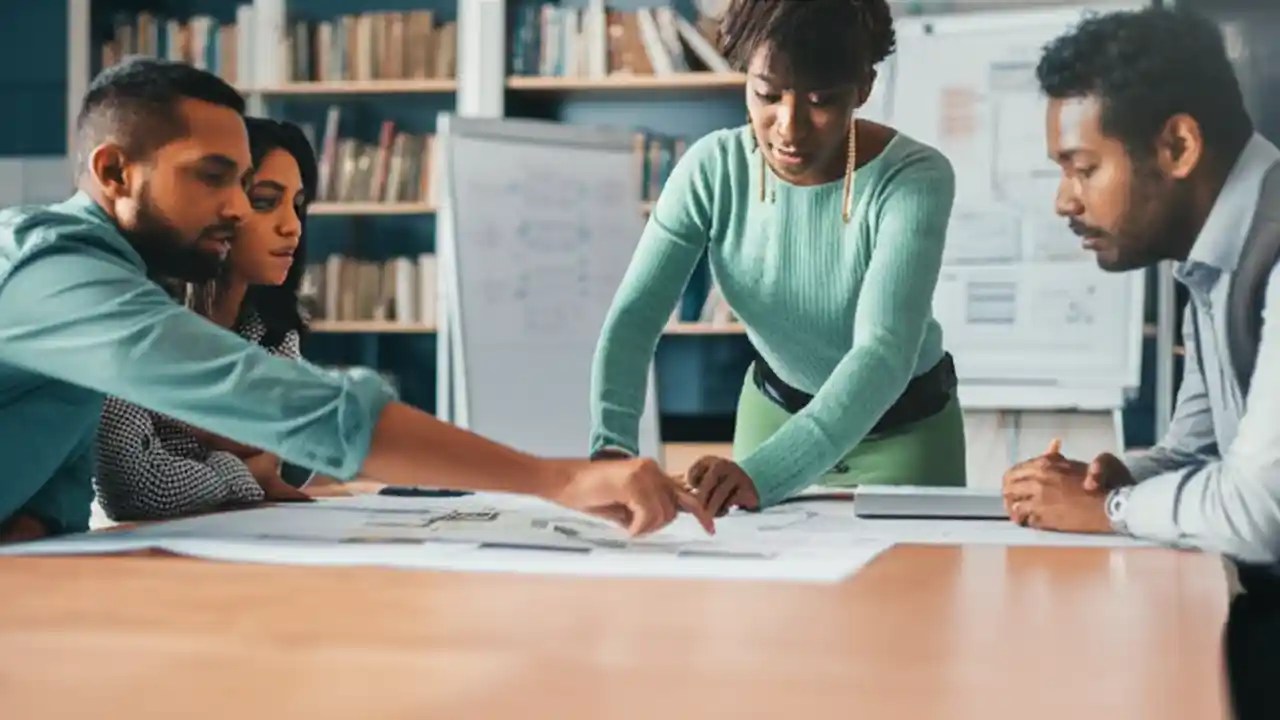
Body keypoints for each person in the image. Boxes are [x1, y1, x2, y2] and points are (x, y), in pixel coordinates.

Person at [0, 57, 713, 541]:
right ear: (114, 171)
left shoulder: (104, 288)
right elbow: (289, 406)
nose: (237, 210)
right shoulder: (58, 271)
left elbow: (50, 504)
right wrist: (557, 479)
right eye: (212, 177)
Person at [589, 0, 964, 516]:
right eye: (766, 94)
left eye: (820, 100)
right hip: (775, 416)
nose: (788, 126)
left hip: (904, 432)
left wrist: (766, 472)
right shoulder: (711, 171)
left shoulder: (914, 179)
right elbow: (634, 319)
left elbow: (883, 351)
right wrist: (612, 450)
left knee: (901, 593)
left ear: (864, 88)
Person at [1001, 8, 1280, 564]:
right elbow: (1197, 454)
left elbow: (1258, 512)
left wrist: (1112, 509)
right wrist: (1111, 479)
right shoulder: (1211, 263)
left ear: (1178, 146)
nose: (1065, 201)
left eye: (1083, 169)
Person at [94, 117, 323, 520]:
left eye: (298, 206)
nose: (293, 227)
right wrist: (242, 472)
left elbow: (287, 447)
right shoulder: (127, 319)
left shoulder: (270, 331)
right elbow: (137, 488)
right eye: (267, 201)